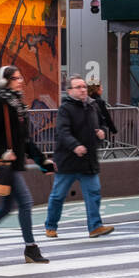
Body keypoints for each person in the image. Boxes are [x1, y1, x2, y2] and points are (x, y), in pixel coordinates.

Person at [0, 65, 56, 264]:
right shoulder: (0, 103)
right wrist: (3, 151)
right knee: (25, 202)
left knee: (6, 207)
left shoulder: (18, 104)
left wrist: (42, 160)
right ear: (5, 81)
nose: (21, 80)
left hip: (14, 164)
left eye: (21, 77)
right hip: (6, 164)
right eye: (16, 78)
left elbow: (25, 139)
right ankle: (31, 248)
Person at [45, 76, 115, 239]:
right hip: (68, 160)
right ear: (69, 91)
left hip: (88, 160)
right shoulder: (65, 109)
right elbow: (62, 132)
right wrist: (75, 145)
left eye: (84, 86)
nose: (83, 89)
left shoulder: (92, 106)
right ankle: (51, 226)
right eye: (78, 87)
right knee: (58, 195)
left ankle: (95, 226)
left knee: (94, 193)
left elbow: (102, 124)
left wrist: (101, 132)